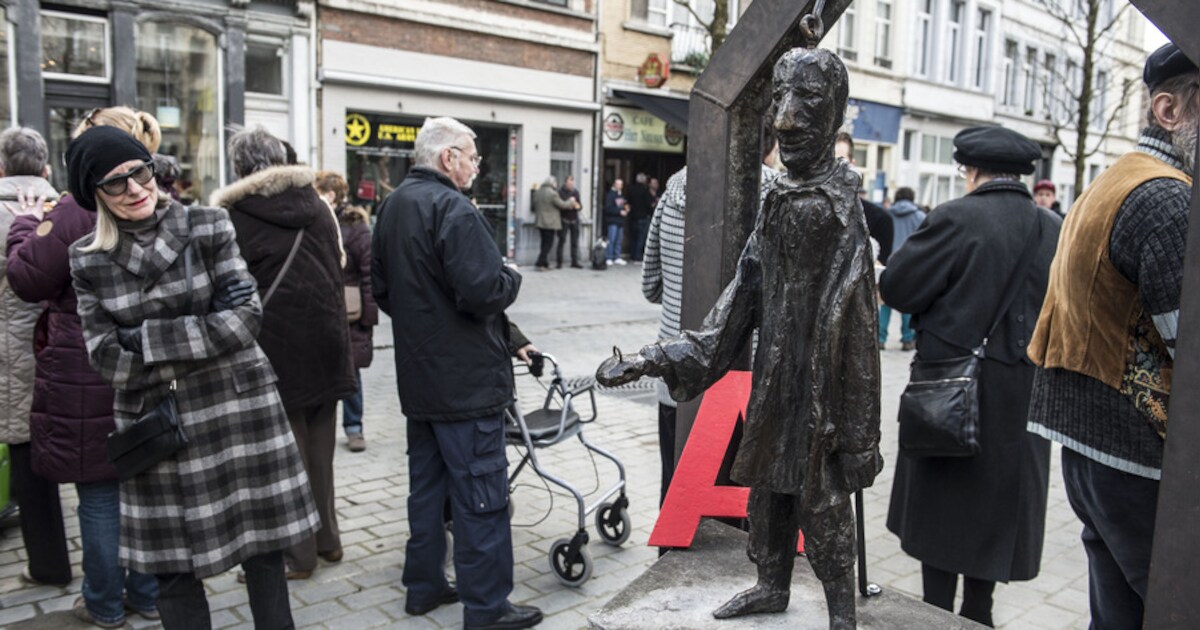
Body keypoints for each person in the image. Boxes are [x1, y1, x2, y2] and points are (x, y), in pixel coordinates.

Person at [600, 47, 881, 628]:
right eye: (780, 97)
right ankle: (770, 585)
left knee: (822, 507)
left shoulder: (838, 207)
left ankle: (842, 615)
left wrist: (858, 434)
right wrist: (657, 357)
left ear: (834, 113)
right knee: (768, 494)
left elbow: (857, 332)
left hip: (820, 397)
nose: (785, 116)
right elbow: (738, 304)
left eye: (806, 100)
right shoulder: (777, 198)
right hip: (777, 386)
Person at [67, 125, 318, 629]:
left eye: (140, 172)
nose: (135, 188)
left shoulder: (208, 224)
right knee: (172, 573)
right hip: (159, 430)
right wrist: (203, 333)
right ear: (94, 194)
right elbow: (106, 359)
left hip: (239, 412)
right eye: (115, 183)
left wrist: (147, 340)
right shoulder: (88, 258)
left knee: (265, 554)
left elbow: (245, 317)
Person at [1026, 42, 1197, 629]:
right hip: (1140, 453)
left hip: (1093, 445)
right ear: (1169, 110)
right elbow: (1190, 349)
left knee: (1118, 613)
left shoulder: (1120, 177)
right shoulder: (1171, 197)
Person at [880, 126, 1061, 627]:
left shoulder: (957, 217)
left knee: (942, 507)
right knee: (996, 507)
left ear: (971, 171)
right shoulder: (1052, 228)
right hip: (1021, 395)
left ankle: (936, 610)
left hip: (951, 390)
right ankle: (979, 611)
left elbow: (899, 288)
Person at [371, 116, 543, 630]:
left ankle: (422, 587)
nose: (476, 164)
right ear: (448, 158)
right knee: (481, 496)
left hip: (421, 379)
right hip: (466, 386)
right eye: (471, 155)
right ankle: (487, 608)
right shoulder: (453, 208)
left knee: (427, 488)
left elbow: (383, 291)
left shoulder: (394, 205)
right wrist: (510, 276)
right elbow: (483, 291)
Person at [7, 111, 163, 628]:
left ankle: (102, 603)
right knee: (142, 488)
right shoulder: (158, 205)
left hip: (83, 371)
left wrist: (27, 226)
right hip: (145, 365)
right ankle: (146, 593)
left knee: (98, 494)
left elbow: (27, 279)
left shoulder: (76, 210)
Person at [210, 127, 355, 581]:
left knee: (281, 458)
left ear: (239, 168)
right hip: (329, 340)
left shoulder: (232, 217)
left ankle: (299, 555)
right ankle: (328, 541)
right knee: (320, 450)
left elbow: (223, 289)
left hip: (273, 348)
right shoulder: (320, 206)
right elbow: (340, 263)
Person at [641, 114, 781, 510]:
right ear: (767, 147)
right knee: (743, 500)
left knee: (677, 491)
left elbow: (650, 285)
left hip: (678, 371)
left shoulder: (673, 192)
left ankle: (669, 566)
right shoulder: (774, 193)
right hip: (746, 375)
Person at [0, 127, 72, 591]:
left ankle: (48, 564)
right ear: (46, 168)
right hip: (60, 346)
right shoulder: (68, 207)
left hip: (10, 353)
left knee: (24, 450)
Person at [315, 170, 378, 453]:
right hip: (320, 309)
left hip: (350, 313)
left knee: (350, 372)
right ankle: (320, 428)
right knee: (322, 370)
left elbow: (369, 274)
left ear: (330, 195)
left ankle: (354, 428)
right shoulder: (315, 222)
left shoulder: (355, 227)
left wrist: (368, 318)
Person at [879, 187, 926, 351]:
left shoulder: (886, 214)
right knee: (907, 305)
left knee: (884, 303)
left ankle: (880, 338)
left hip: (888, 263)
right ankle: (907, 339)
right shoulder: (920, 217)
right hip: (910, 265)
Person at [836, 132, 893, 265]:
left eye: (840, 162)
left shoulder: (879, 220)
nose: (833, 169)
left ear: (852, 164)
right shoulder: (806, 213)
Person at [532, 176, 575, 270]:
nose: (556, 185)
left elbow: (534, 204)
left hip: (540, 221)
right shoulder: (552, 193)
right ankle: (540, 263)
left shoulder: (538, 192)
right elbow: (563, 205)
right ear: (552, 183)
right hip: (549, 223)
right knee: (548, 244)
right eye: (555, 183)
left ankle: (544, 263)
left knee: (543, 243)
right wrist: (570, 201)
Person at [557, 175, 584, 269]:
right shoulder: (560, 192)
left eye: (572, 183)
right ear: (565, 183)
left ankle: (574, 261)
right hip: (564, 219)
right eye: (569, 183)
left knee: (574, 242)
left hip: (574, 219)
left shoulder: (575, 192)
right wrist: (569, 202)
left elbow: (580, 206)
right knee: (561, 241)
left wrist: (578, 206)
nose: (571, 185)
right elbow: (560, 205)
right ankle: (559, 262)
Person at [626, 173, 654, 262]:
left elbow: (628, 202)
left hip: (633, 217)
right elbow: (649, 204)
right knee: (640, 237)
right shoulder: (645, 190)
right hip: (642, 217)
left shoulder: (631, 189)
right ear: (644, 181)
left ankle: (632, 254)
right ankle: (637, 256)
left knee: (633, 237)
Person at [603, 179, 627, 265]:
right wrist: (619, 212)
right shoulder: (610, 195)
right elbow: (607, 208)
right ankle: (609, 257)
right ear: (614, 185)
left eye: (621, 184)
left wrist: (626, 209)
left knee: (618, 240)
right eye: (618, 184)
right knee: (611, 239)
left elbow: (623, 205)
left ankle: (617, 256)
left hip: (620, 221)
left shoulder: (621, 195)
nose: (620, 186)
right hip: (612, 221)